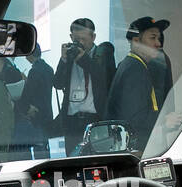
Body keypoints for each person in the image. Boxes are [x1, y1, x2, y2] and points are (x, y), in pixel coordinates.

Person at [107, 16, 173, 152]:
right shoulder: (134, 69)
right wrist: (164, 121)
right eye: (152, 38)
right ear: (136, 41)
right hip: (136, 148)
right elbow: (135, 118)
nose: (158, 44)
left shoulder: (136, 65)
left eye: (158, 38)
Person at [52, 17, 115, 152]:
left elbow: (104, 77)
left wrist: (83, 59)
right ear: (71, 36)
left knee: (99, 161)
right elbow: (57, 83)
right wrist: (63, 59)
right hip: (72, 122)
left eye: (84, 39)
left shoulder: (103, 53)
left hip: (96, 121)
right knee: (73, 162)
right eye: (76, 39)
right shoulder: (69, 56)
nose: (80, 43)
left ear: (93, 37)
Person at [11, 42, 54, 157]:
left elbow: (27, 94)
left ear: (30, 54)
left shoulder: (34, 71)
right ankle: (50, 173)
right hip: (47, 114)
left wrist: (24, 82)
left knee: (38, 150)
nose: (25, 56)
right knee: (44, 148)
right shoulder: (49, 69)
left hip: (36, 115)